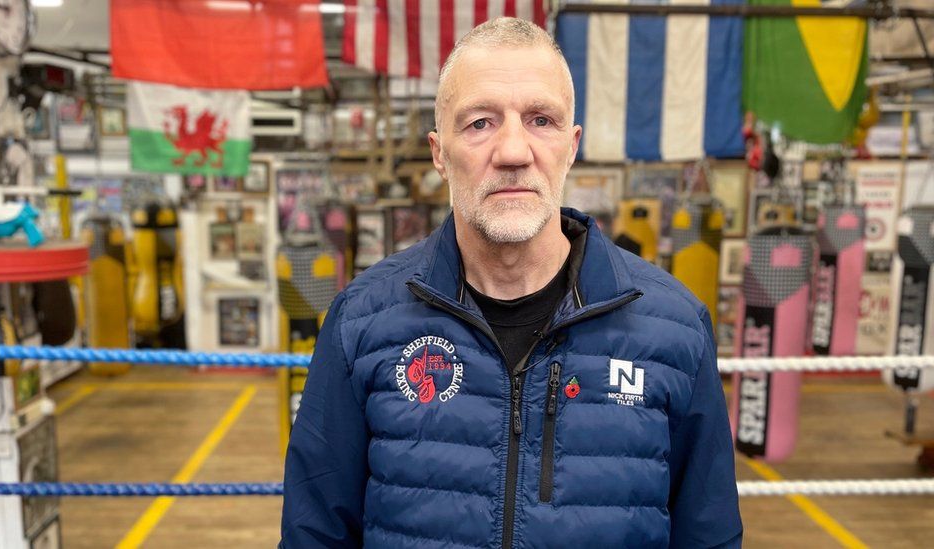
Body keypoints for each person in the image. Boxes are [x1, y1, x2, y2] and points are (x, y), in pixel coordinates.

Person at [281, 17, 742, 548]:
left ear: (571, 146)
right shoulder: (361, 321)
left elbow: (710, 537)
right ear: (439, 153)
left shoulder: (675, 331)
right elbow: (313, 534)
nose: (514, 151)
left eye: (540, 120)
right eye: (480, 123)